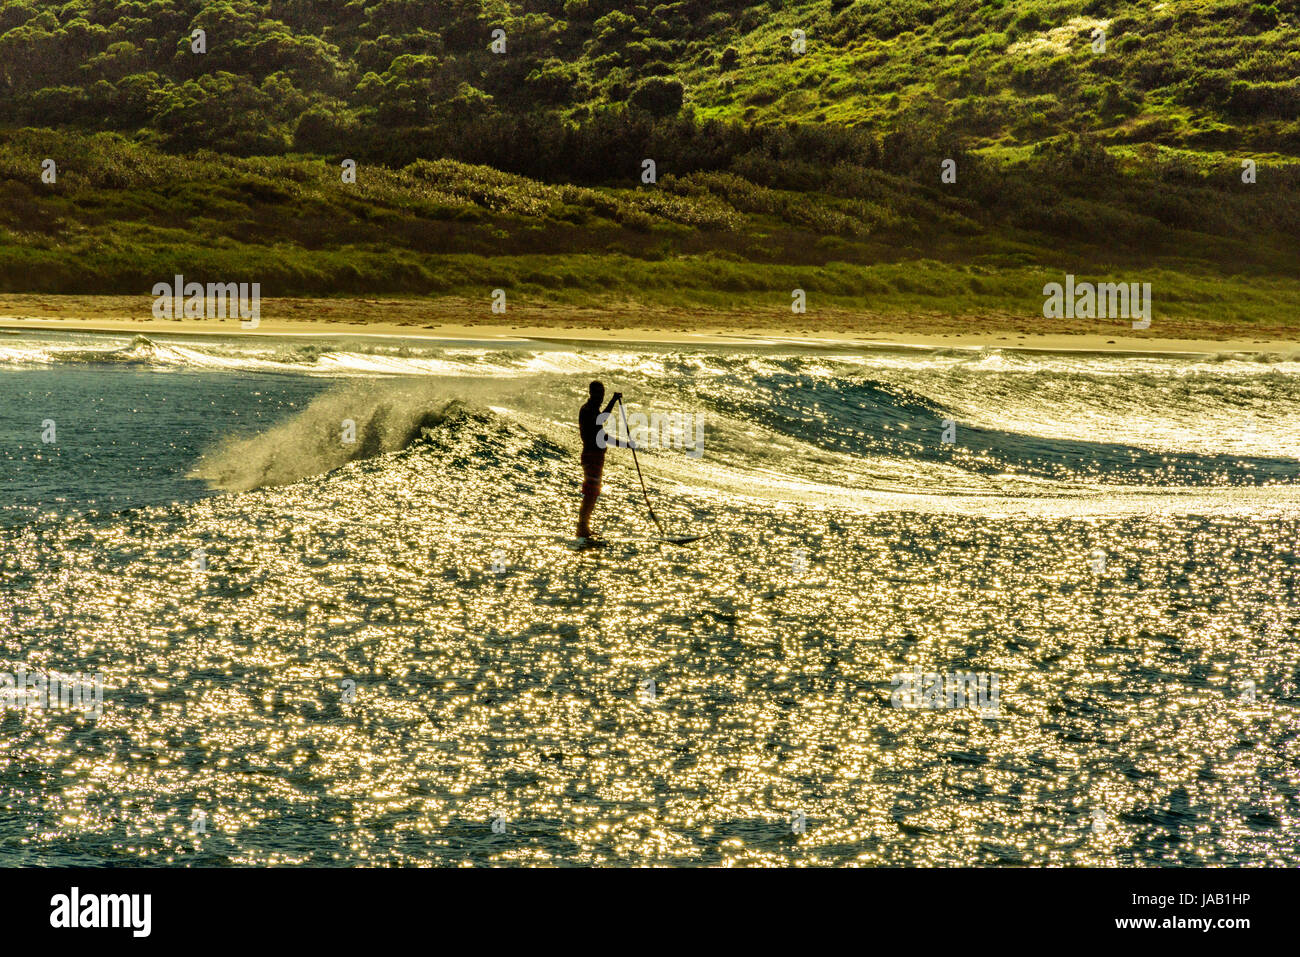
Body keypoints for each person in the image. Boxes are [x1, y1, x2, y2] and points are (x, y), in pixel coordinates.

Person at [577, 380, 635, 541]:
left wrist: (613, 400)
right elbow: (603, 432)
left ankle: (584, 527)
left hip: (595, 456)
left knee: (593, 492)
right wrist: (626, 444)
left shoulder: (593, 410)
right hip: (591, 456)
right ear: (591, 393)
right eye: (598, 394)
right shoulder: (588, 410)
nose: (600, 397)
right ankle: (582, 528)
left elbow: (602, 417)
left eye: (602, 395)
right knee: (590, 492)